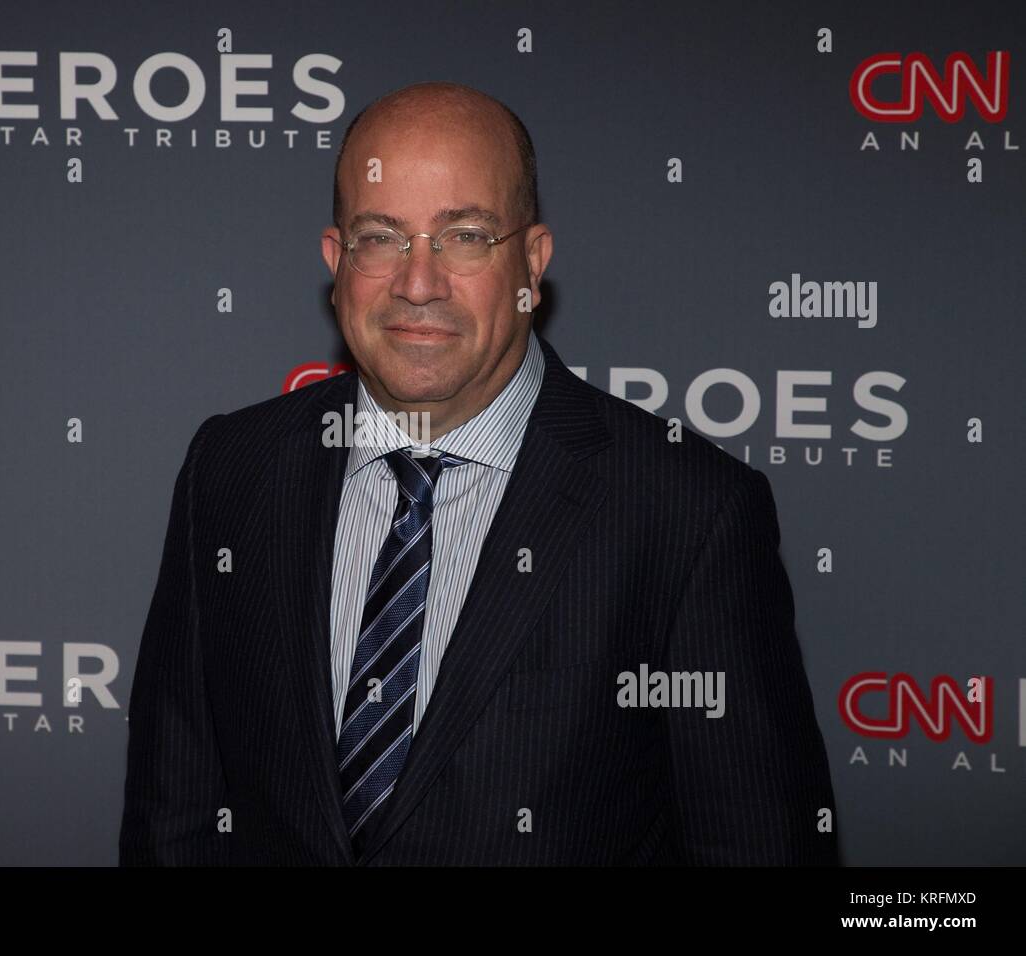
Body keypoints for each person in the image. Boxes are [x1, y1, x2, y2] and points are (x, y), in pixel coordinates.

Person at [119, 81, 838, 866]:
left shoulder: (686, 511)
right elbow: (175, 813)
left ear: (533, 260)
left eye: (464, 236)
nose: (417, 283)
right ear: (336, 259)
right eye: (381, 237)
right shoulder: (233, 471)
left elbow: (757, 845)